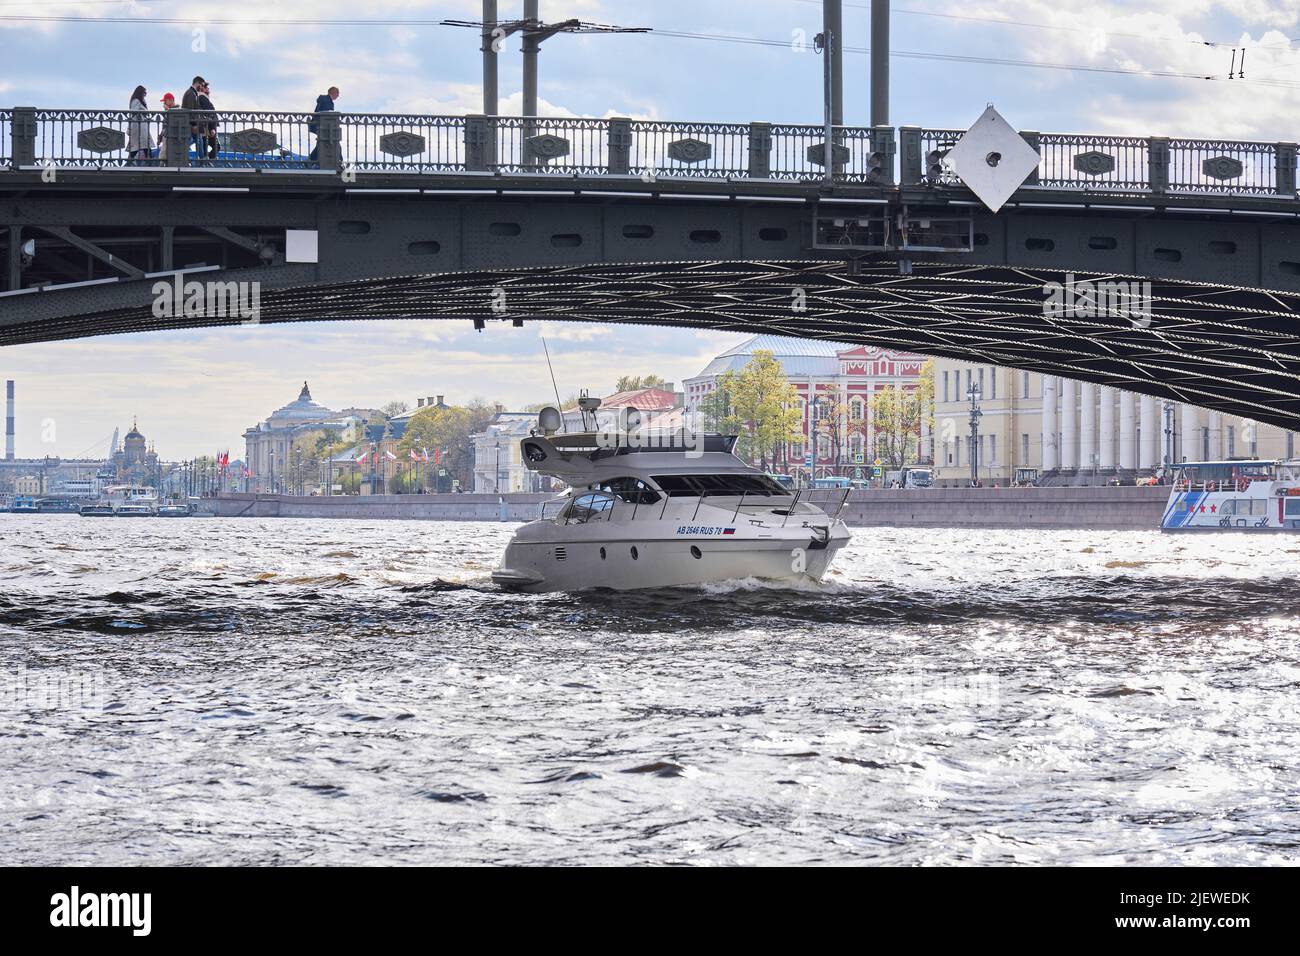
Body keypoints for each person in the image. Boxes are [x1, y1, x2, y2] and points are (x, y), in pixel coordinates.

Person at [308, 86, 339, 163]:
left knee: (322, 142)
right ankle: (312, 159)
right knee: (328, 142)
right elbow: (326, 114)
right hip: (321, 126)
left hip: (318, 125)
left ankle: (312, 159)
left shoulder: (325, 99)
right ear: (334, 93)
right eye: (337, 94)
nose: (338, 96)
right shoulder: (327, 101)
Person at [181, 76, 206, 159]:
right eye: (201, 85)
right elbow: (191, 110)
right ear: (197, 83)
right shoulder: (191, 93)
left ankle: (200, 161)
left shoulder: (192, 93)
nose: (202, 87)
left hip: (190, 124)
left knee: (195, 143)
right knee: (198, 143)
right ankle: (202, 162)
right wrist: (194, 124)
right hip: (191, 125)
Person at [127, 85, 152, 164]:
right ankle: (151, 166)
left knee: (141, 147)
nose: (145, 95)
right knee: (142, 146)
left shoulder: (139, 101)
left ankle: (150, 165)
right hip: (138, 127)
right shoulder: (136, 101)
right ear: (140, 92)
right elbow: (133, 113)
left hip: (140, 127)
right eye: (144, 93)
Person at [197, 81, 218, 159]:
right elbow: (209, 112)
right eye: (206, 88)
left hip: (205, 127)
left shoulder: (202, 97)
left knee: (205, 147)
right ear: (202, 89)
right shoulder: (202, 97)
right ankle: (206, 162)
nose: (208, 90)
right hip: (207, 128)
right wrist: (212, 127)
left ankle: (206, 161)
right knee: (215, 147)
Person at [156, 92, 176, 162]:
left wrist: (168, 110)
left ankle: (161, 167)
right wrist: (160, 137)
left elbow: (173, 121)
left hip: (170, 135)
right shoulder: (167, 110)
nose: (163, 103)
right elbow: (164, 127)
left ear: (171, 100)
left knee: (163, 153)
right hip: (166, 135)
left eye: (165, 101)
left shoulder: (176, 109)